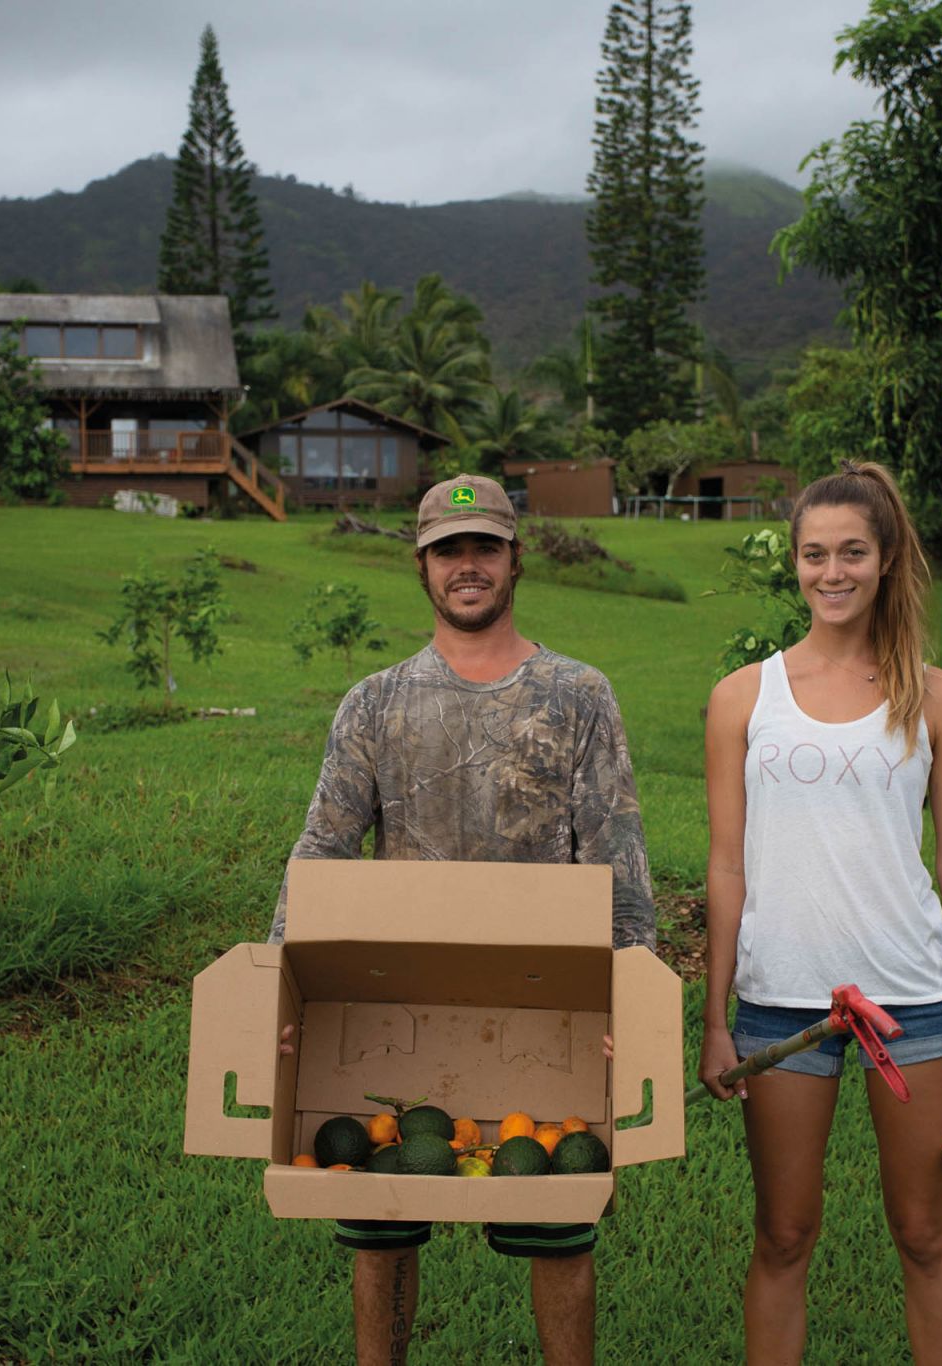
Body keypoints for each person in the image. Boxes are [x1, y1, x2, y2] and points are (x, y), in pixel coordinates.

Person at [270, 472, 654, 1366]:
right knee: (381, 1211)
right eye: (449, 550)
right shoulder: (376, 703)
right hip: (399, 1004)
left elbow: (620, 861)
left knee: (557, 1217)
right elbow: (321, 849)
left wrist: (633, 996)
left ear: (517, 560)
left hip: (545, 1006)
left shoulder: (577, 695)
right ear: (422, 565)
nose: (467, 565)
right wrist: (275, 995)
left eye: (485, 547)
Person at [696, 462, 942, 1365]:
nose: (831, 572)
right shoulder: (743, 698)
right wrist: (715, 1019)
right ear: (795, 564)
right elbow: (725, 867)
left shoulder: (939, 698)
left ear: (886, 561)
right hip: (780, 1004)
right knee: (783, 1235)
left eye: (852, 552)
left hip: (917, 1003)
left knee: (923, 1233)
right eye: (814, 554)